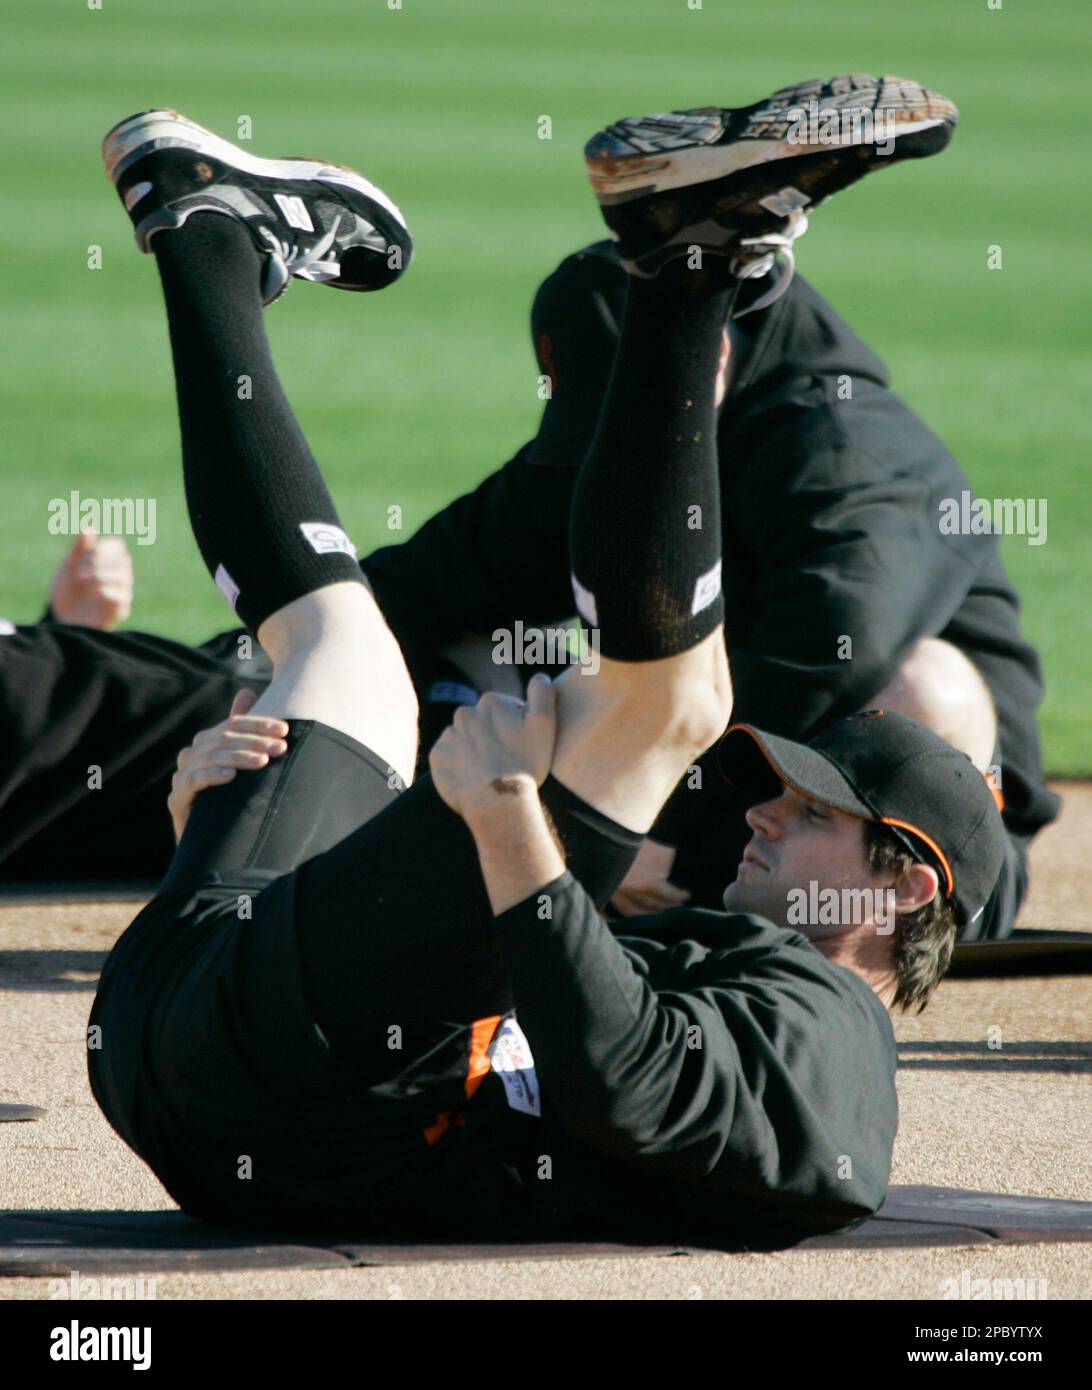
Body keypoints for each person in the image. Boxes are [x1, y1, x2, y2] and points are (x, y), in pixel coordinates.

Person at [88, 83, 1005, 1245]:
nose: (762, 816)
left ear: (909, 883)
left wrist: (506, 819)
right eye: (776, 791)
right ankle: (203, 231)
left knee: (674, 704)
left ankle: (694, 260)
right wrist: (217, 829)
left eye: (810, 805)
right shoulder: (734, 964)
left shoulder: (835, 1032)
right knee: (344, 648)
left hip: (287, 1088)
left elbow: (633, 1084)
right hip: (200, 1019)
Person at [361, 79, 1059, 941]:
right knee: (490, 648)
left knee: (924, 687)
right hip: (731, 809)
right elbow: (426, 582)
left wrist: (673, 832)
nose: (614, 445)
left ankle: (838, 905)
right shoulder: (615, 465)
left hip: (901, 836)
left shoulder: (847, 444)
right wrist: (273, 666)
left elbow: (832, 653)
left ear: (709, 351)